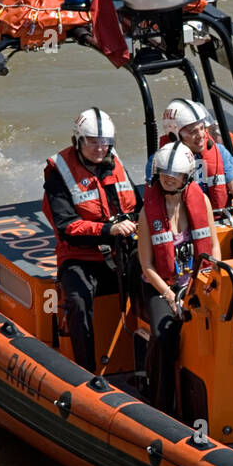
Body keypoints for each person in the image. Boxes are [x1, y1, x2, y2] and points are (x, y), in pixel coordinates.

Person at [42, 108, 139, 372]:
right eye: (93, 141)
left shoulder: (114, 162)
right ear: (79, 141)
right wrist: (109, 230)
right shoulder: (59, 174)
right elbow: (66, 226)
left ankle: (144, 361)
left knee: (151, 281)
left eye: (105, 142)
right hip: (80, 256)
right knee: (78, 300)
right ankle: (86, 370)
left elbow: (137, 205)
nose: (100, 148)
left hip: (121, 252)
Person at [137, 140, 221, 414]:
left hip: (197, 283)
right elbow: (147, 265)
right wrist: (171, 297)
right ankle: (162, 402)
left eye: (175, 174)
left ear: (187, 177)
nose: (169, 179)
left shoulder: (202, 202)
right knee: (165, 334)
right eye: (164, 173)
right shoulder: (146, 214)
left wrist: (205, 282)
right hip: (161, 287)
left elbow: (213, 249)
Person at [148, 98, 233, 214]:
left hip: (219, 218)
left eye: (202, 128)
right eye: (193, 131)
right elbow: (154, 201)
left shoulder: (220, 152)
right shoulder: (158, 162)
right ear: (174, 135)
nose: (201, 135)